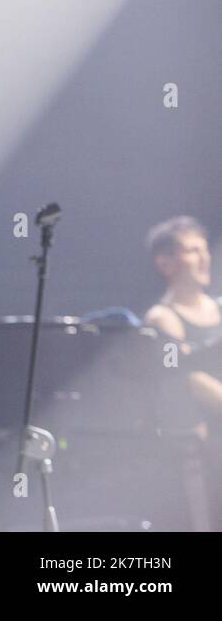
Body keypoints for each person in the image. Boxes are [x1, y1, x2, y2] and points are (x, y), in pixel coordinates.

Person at [142, 216, 222, 527]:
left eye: (204, 250)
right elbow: (178, 375)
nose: (204, 258)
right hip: (200, 443)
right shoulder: (163, 317)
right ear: (166, 263)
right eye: (192, 251)